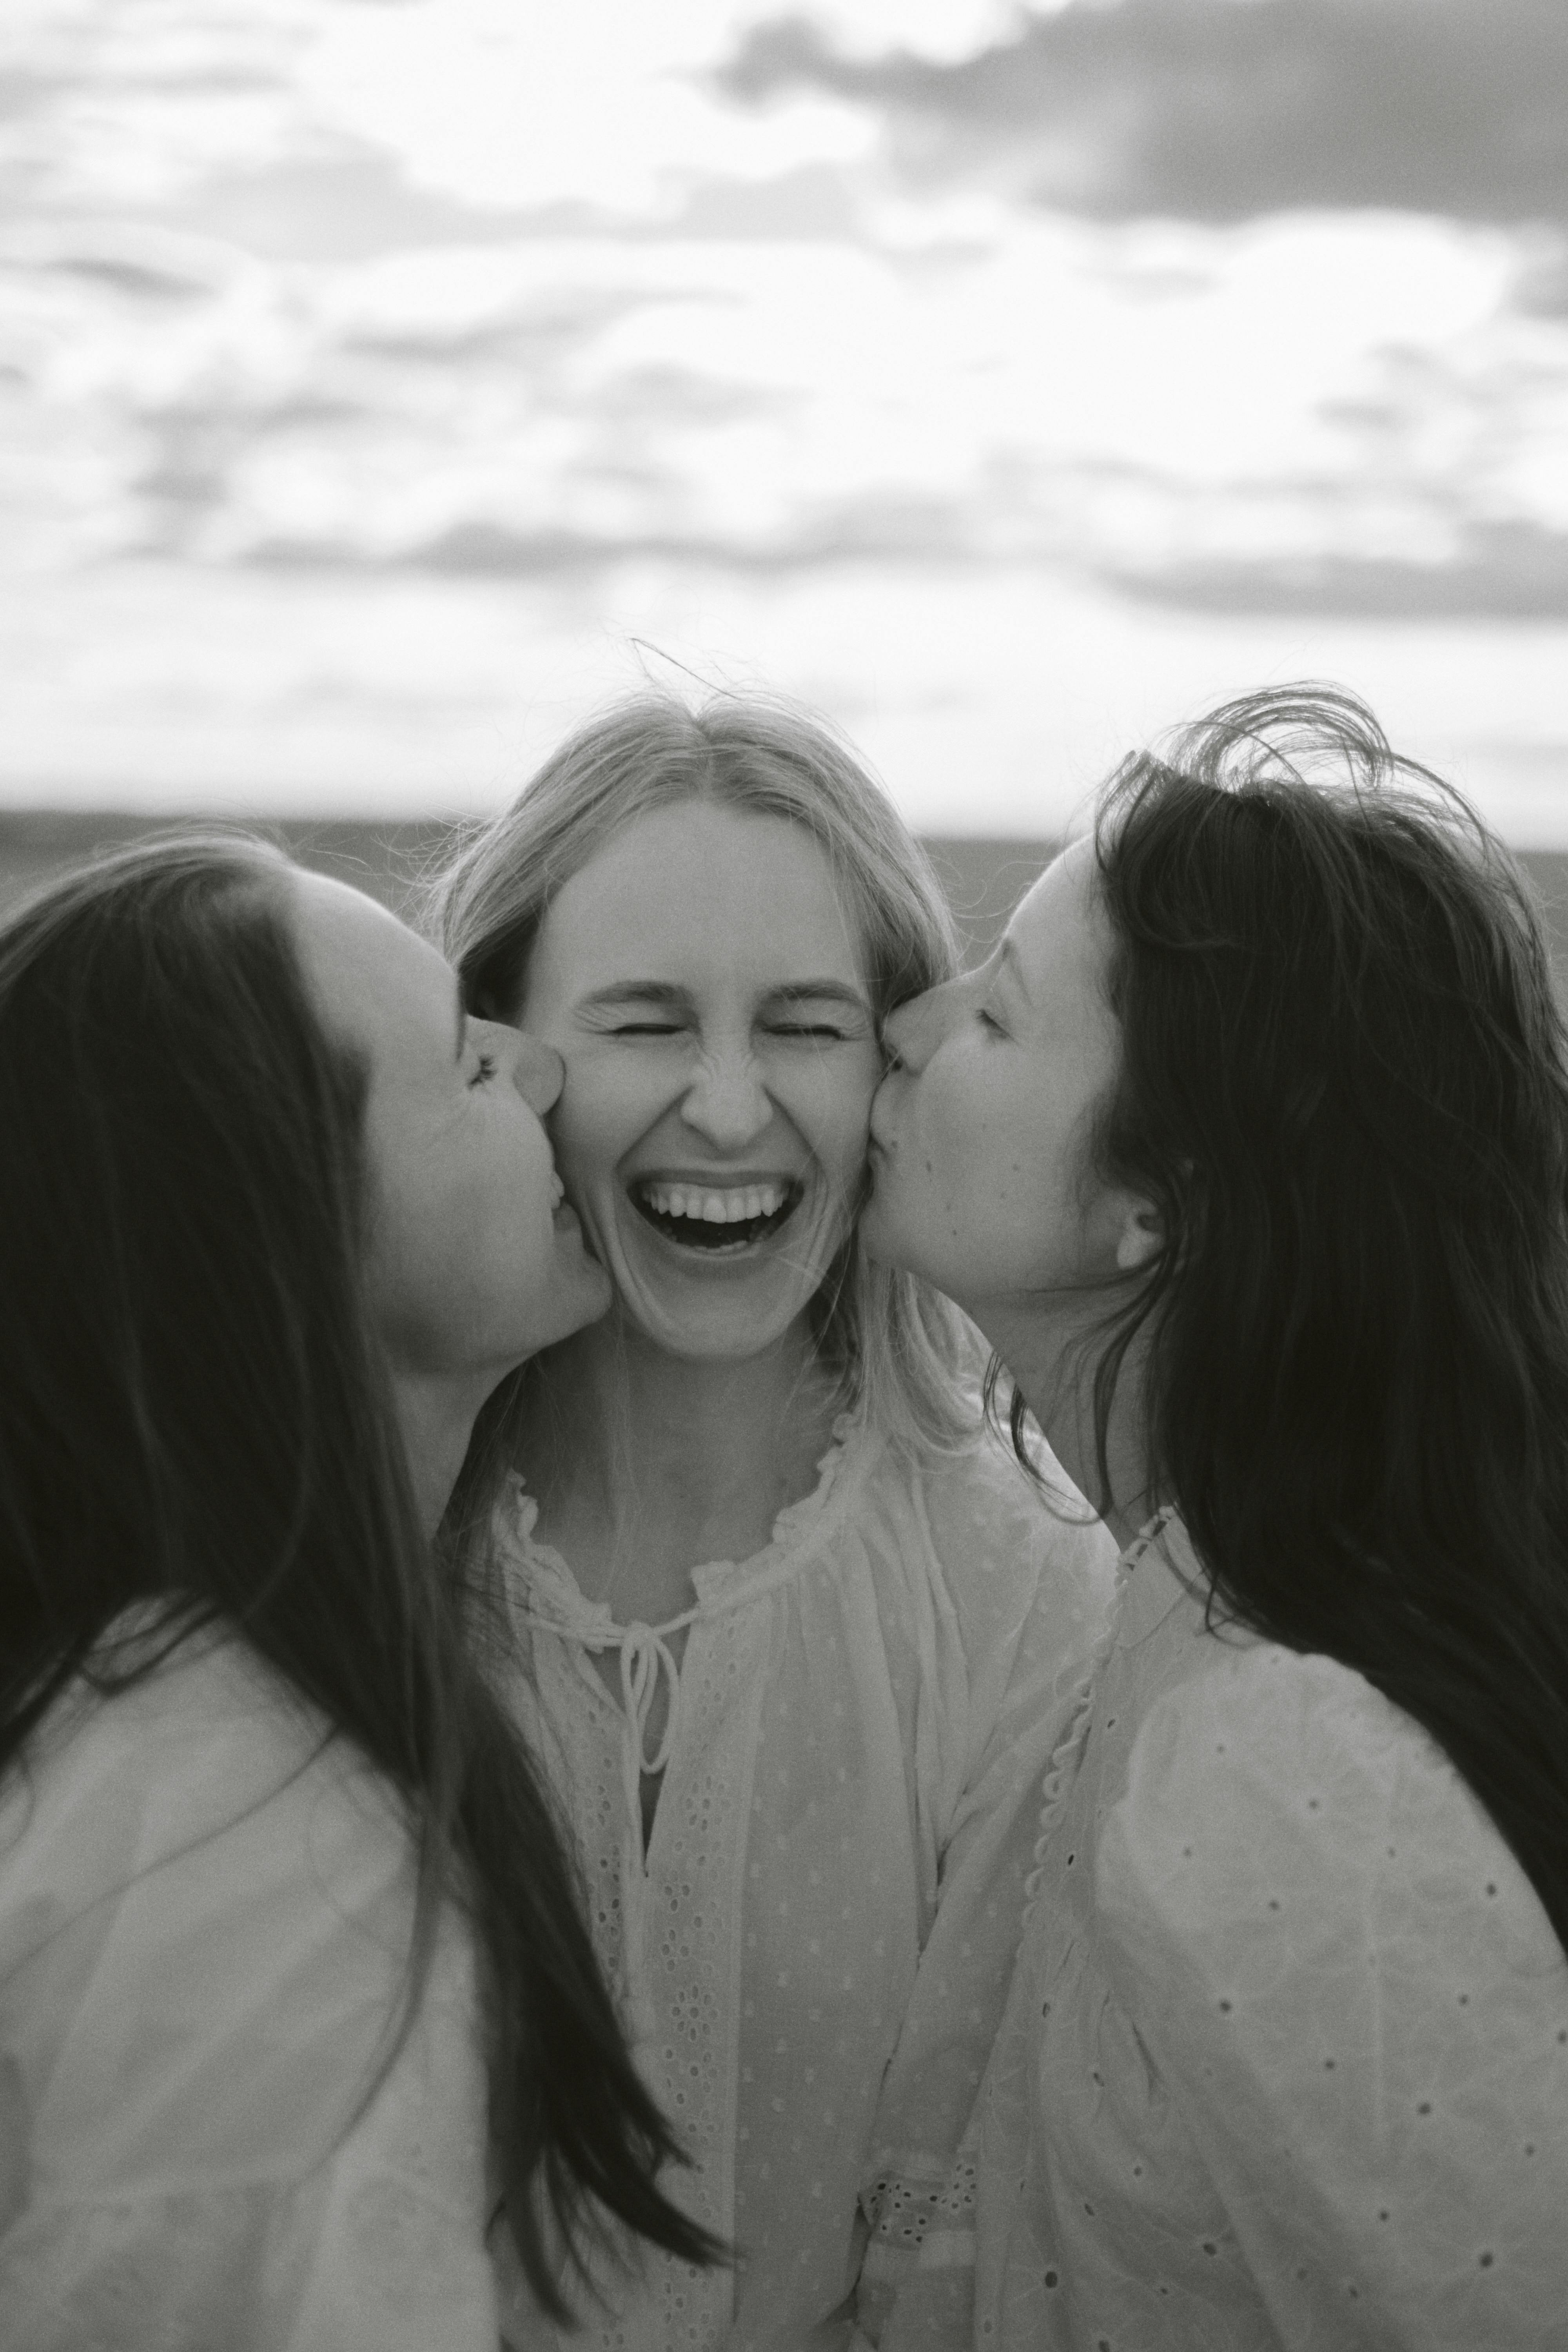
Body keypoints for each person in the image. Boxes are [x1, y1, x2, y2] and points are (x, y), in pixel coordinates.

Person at [860, 686, 1568, 2349]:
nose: (908, 1022)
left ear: (1157, 1206)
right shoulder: (1190, 1621)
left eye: (999, 1016)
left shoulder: (1284, 1753)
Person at [429, 694, 1118, 2348]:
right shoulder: (366, 1540)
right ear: (505, 1051)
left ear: (892, 1067)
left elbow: (971, 2233)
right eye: (648, 1024)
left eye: (805, 1026)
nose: (729, 1112)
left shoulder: (1022, 1586)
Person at [0, 835, 717, 2350]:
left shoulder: (194, 1708)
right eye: (463, 1062)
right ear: (294, 1237)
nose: (543, 1072)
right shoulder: (243, 1839)